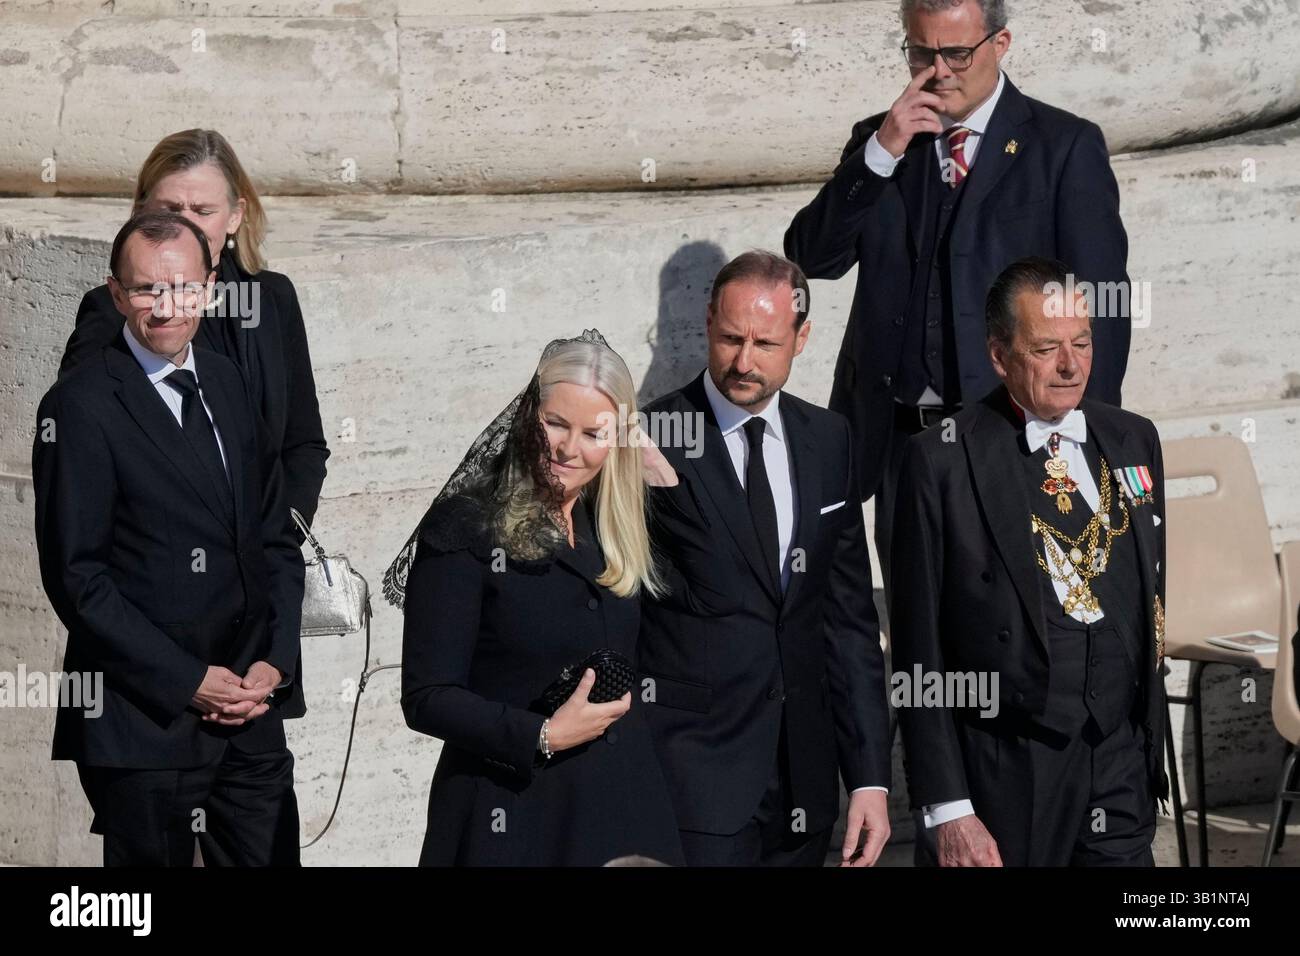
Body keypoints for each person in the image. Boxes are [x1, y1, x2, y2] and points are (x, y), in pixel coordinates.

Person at [784, 0, 1131, 600]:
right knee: (919, 632)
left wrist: (1075, 439)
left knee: (1017, 629)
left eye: (957, 53)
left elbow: (1104, 305)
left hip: (1013, 436)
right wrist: (880, 155)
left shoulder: (1063, 147)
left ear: (1000, 44)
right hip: (901, 442)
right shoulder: (880, 141)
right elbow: (811, 258)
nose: (939, 70)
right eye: (922, 53)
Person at [385, 330, 735, 866]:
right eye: (555, 423)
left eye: (594, 433)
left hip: (624, 815)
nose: (570, 449)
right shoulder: (468, 525)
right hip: (512, 817)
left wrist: (659, 472)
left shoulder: (611, 523)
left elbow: (715, 594)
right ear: (529, 415)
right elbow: (427, 696)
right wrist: (541, 734)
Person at [32, 212, 305, 866]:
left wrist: (277, 658)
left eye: (182, 288)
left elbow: (275, 537)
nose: (165, 308)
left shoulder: (228, 382)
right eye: (147, 290)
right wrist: (188, 681)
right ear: (117, 294)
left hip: (251, 713)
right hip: (146, 727)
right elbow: (78, 579)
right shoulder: (79, 406)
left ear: (210, 288)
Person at [890, 256, 1167, 866]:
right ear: (999, 356)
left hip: (1118, 757)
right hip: (1009, 773)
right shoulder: (940, 460)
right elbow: (918, 648)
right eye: (1046, 348)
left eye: (1082, 343)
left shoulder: (1134, 439)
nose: (1071, 366)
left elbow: (1147, 595)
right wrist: (949, 807)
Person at [59, 129, 328, 717]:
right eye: (168, 209)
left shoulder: (272, 299)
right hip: (158, 633)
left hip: (258, 611)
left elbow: (303, 442)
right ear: (141, 216)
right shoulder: (113, 311)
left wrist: (271, 532)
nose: (188, 222)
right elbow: (86, 450)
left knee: (262, 800)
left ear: (235, 217)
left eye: (203, 210)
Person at [639, 251, 893, 867]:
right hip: (692, 781)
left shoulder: (829, 440)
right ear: (706, 323)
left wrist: (868, 778)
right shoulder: (647, 438)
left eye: (765, 343)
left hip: (805, 782)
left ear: (801, 339)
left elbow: (849, 622)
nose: (744, 361)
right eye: (730, 338)